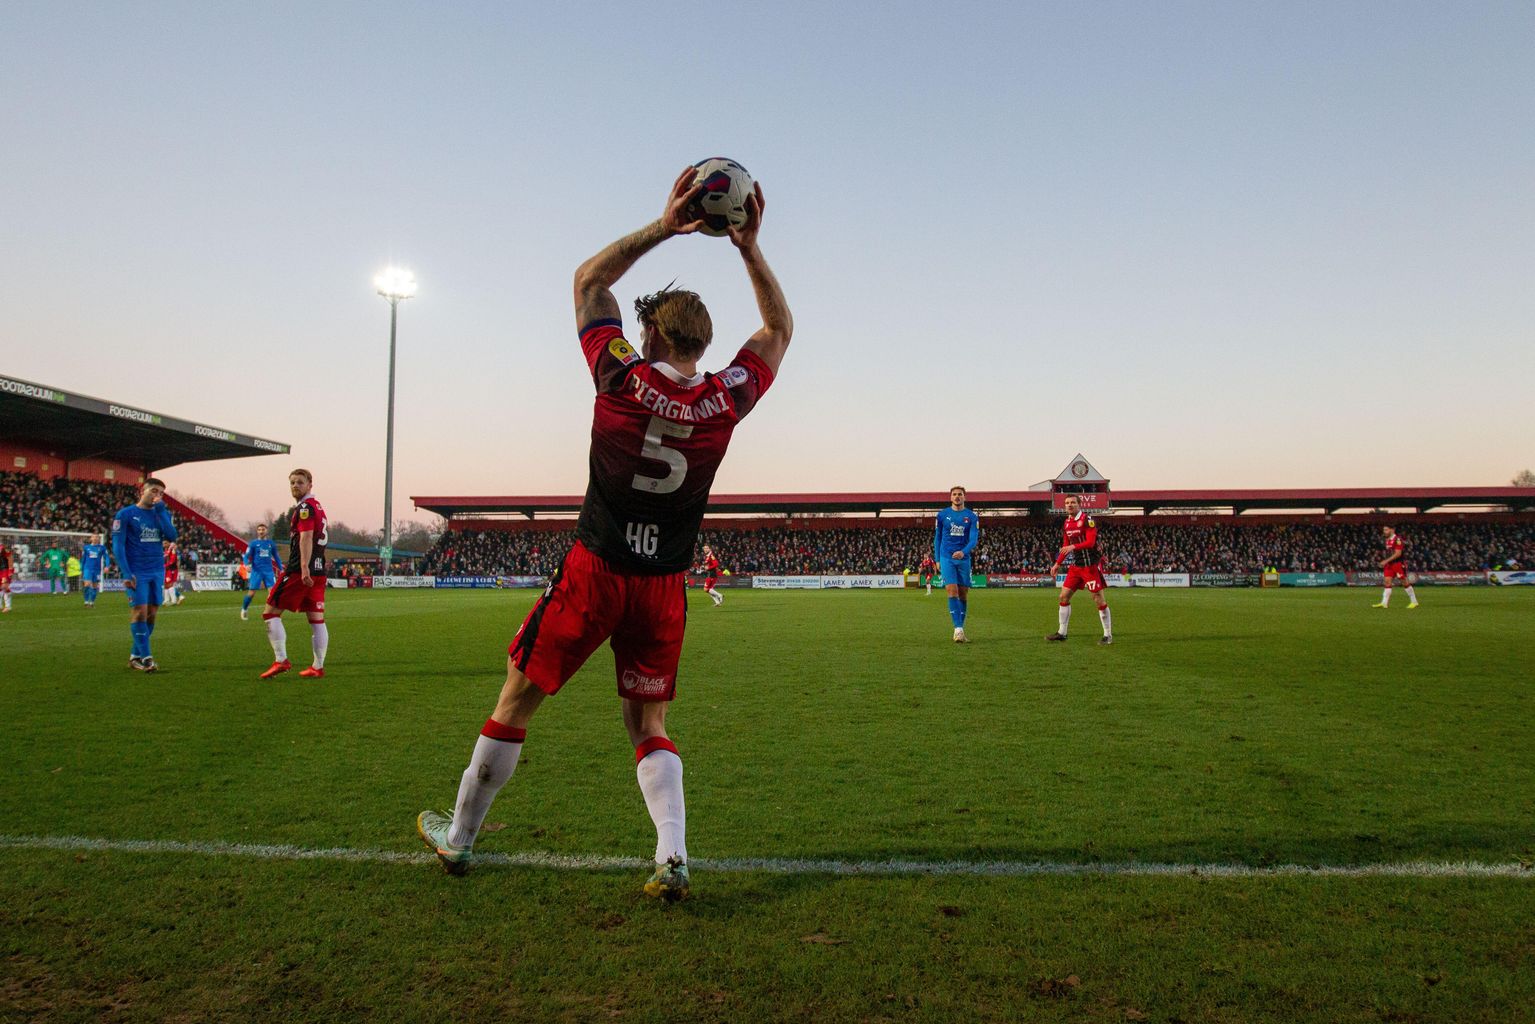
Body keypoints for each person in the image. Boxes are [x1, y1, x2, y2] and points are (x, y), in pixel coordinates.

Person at [416, 167, 791, 902]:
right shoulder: (725, 400)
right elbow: (777, 330)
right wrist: (747, 247)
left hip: (595, 569)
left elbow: (589, 281)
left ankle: (458, 840)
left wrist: (666, 225)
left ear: (648, 333)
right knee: (648, 719)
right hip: (664, 587)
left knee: (516, 699)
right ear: (705, 340)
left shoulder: (618, 377)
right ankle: (673, 854)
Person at [259, 470, 330, 679]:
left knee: (270, 612)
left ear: (310, 484)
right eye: (292, 483)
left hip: (301, 571)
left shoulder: (306, 507)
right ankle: (317, 667)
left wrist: (304, 567)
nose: (295, 486)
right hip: (319, 570)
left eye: (300, 482)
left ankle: (281, 660)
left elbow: (306, 538)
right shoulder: (318, 507)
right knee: (317, 619)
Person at [111, 478, 177, 671]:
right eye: (154, 491)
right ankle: (147, 658)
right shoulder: (125, 514)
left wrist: (162, 511)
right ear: (142, 491)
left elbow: (171, 536)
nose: (157, 496)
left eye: (161, 493)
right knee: (139, 611)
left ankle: (135, 656)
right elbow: (117, 546)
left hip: (157, 570)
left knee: (152, 614)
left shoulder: (161, 513)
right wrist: (126, 572)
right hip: (136, 571)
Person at [1045, 495, 1112, 645]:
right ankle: (1062, 633)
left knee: (1098, 599)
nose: (1069, 505)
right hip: (1076, 567)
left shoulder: (1087, 520)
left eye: (1073, 503)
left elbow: (1090, 542)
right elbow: (1065, 545)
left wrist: (1073, 546)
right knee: (1063, 597)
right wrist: (1057, 564)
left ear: (1079, 505)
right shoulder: (1067, 523)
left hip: (1090, 566)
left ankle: (1107, 635)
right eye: (1067, 503)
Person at [934, 486, 979, 642]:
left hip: (963, 559)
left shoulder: (971, 517)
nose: (957, 496)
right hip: (946, 557)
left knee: (963, 593)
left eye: (960, 494)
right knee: (951, 590)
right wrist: (937, 559)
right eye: (954, 494)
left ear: (964, 497)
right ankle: (958, 630)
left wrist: (963, 551)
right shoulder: (942, 515)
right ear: (950, 497)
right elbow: (937, 538)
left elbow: (973, 539)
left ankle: (961, 627)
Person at [242, 523, 282, 620]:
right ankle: (244, 609)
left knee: (272, 593)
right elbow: (246, 556)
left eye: (263, 529)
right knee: (251, 593)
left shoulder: (271, 543)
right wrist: (246, 565)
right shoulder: (253, 544)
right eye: (259, 530)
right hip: (257, 571)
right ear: (257, 531)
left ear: (266, 531)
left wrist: (281, 568)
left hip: (268, 571)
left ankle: (268, 613)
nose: (261, 531)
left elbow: (276, 557)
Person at [1373, 525, 1419, 609]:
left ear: (1392, 530)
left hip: (1398, 564)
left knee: (1404, 582)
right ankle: (1384, 603)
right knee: (1387, 581)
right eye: (1384, 530)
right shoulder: (1387, 540)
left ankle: (1414, 601)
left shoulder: (1397, 540)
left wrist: (1385, 561)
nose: (1384, 531)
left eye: (1386, 530)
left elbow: (1398, 553)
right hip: (1389, 564)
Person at [80, 533, 108, 607]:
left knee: (95, 586)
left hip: (97, 570)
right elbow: (83, 559)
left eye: (97, 537)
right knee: (87, 584)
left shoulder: (102, 548)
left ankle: (92, 602)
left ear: (99, 539)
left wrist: (107, 566)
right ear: (91, 539)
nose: (95, 538)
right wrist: (81, 569)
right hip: (87, 568)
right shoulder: (86, 547)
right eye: (94, 537)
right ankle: (86, 601)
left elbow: (106, 557)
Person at [0, 542, 14, 613]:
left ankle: (8, 606)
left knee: (5, 586)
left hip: (5, 569)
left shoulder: (3, 548)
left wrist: (10, 570)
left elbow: (10, 557)